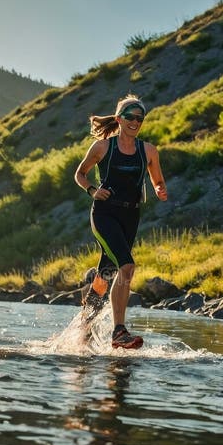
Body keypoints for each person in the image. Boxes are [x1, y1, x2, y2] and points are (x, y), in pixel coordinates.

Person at [74, 94, 168, 349]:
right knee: (126, 266)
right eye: (130, 117)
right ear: (119, 119)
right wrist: (93, 190)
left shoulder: (148, 151)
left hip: (130, 216)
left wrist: (160, 189)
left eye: (140, 118)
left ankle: (85, 325)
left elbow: (157, 180)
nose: (135, 121)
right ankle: (119, 331)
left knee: (107, 270)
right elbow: (80, 174)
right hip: (104, 214)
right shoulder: (103, 147)